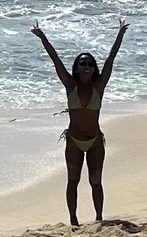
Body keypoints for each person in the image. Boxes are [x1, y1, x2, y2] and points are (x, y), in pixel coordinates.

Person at [32, 17, 127, 226]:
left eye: (90, 64)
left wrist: (120, 34)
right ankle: (73, 220)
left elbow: (111, 60)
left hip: (94, 141)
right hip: (74, 141)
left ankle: (99, 218)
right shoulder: (70, 85)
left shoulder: (99, 87)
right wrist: (43, 38)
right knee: (72, 182)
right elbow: (55, 60)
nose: (86, 66)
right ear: (76, 67)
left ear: (94, 68)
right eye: (82, 63)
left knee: (95, 182)